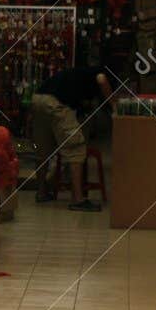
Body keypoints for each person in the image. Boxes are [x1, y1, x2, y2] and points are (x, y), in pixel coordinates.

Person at [30, 64, 116, 211]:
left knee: (43, 150)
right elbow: (102, 80)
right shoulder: (101, 73)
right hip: (56, 103)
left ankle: (42, 192)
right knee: (76, 147)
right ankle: (77, 199)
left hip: (38, 99)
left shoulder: (80, 74)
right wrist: (114, 106)